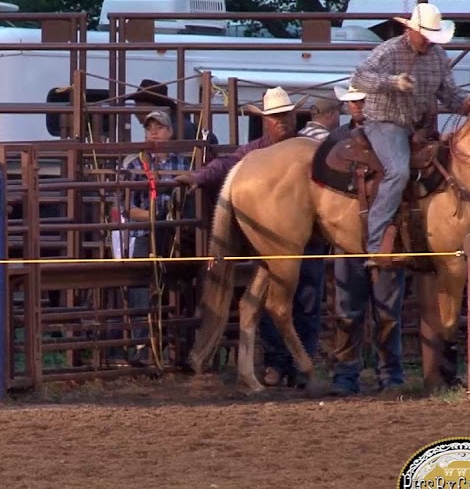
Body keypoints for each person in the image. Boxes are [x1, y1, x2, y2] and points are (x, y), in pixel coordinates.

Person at [176, 87, 322, 386]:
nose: (281, 121)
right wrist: (199, 176)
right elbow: (226, 165)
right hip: (279, 238)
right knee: (283, 297)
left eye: (285, 115)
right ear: (265, 121)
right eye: (275, 117)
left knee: (307, 298)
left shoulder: (309, 150)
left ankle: (298, 363)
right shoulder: (257, 153)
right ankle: (280, 363)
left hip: (311, 236)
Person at [349, 2, 470, 267]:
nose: (429, 41)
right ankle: (376, 244)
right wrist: (392, 82)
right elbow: (360, 77)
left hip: (416, 126)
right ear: (411, 30)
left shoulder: (438, 57)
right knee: (398, 171)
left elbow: (450, 95)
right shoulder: (388, 51)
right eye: (425, 35)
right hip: (384, 122)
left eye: (433, 36)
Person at [324, 84, 407, 396]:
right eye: (352, 102)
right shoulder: (337, 142)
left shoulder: (394, 139)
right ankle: (348, 375)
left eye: (361, 100)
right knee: (348, 310)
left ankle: (389, 376)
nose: (356, 106)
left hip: (386, 236)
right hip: (347, 237)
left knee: (387, 311)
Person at [120, 110, 192, 364]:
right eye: (149, 127)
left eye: (159, 127)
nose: (153, 132)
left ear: (170, 132)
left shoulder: (184, 163)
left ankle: (179, 346)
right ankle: (142, 346)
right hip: (146, 231)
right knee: (141, 284)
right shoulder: (135, 164)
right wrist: (153, 216)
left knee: (182, 284)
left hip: (176, 233)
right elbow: (126, 208)